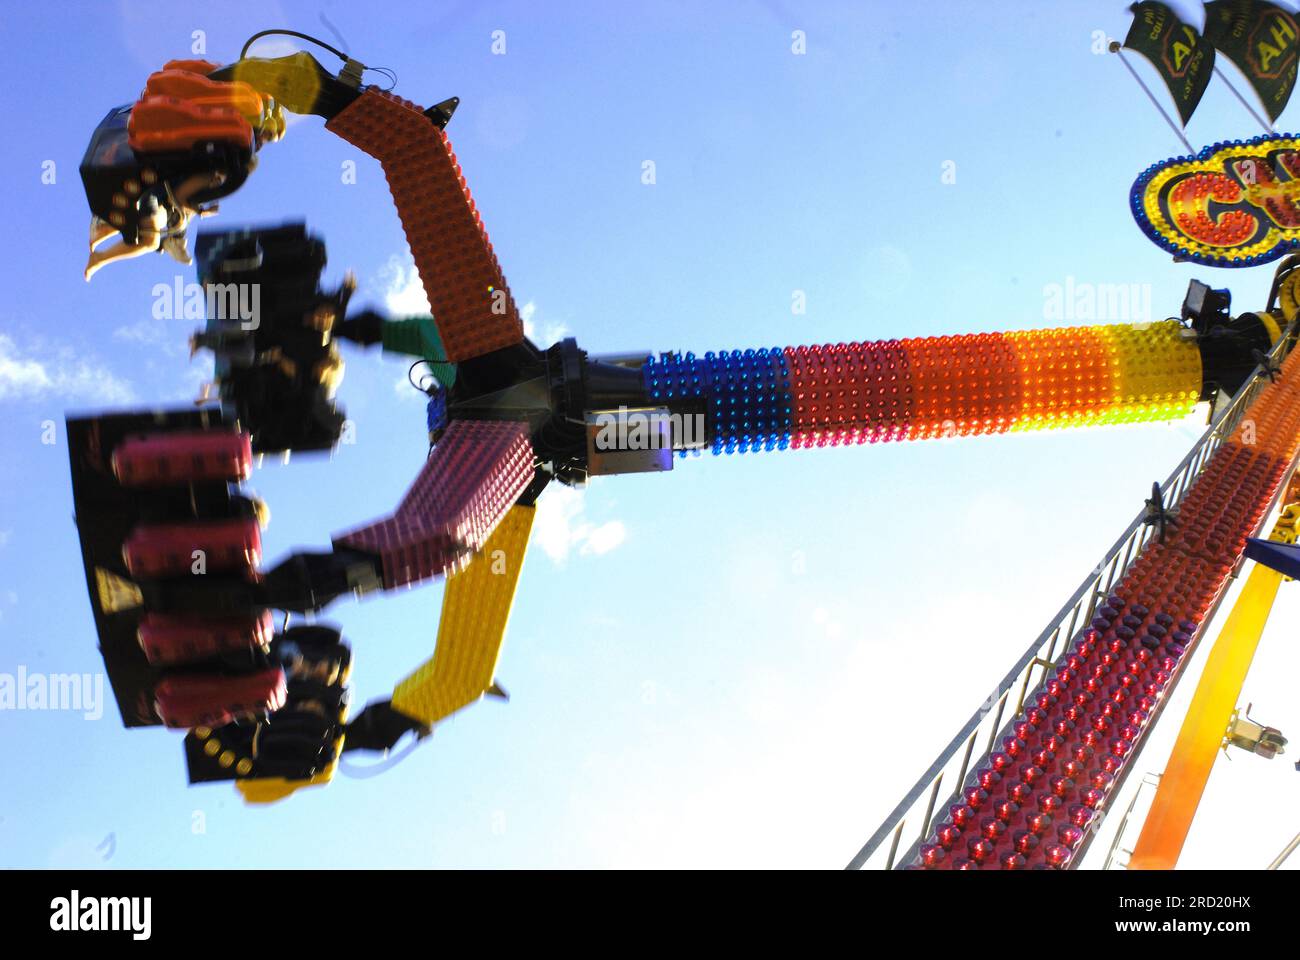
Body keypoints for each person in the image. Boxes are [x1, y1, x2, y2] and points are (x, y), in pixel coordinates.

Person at [85, 169, 228, 281]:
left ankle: (101, 250)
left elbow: (181, 208)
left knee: (150, 240)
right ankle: (104, 229)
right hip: (155, 193)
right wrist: (201, 211)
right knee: (148, 235)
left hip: (162, 204)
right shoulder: (209, 176)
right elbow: (181, 195)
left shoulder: (211, 181)